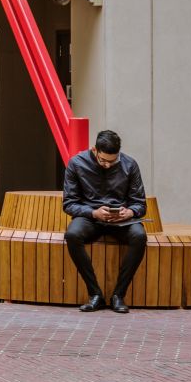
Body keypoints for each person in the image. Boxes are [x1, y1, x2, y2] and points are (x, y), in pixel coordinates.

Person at [63, 129, 148, 314]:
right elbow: (69, 204)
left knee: (139, 236)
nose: (108, 165)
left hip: (121, 221)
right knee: (72, 235)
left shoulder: (130, 165)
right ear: (94, 150)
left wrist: (130, 212)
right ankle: (95, 295)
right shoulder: (76, 164)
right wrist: (93, 213)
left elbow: (140, 203)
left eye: (113, 161)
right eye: (103, 161)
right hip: (90, 217)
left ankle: (118, 295)